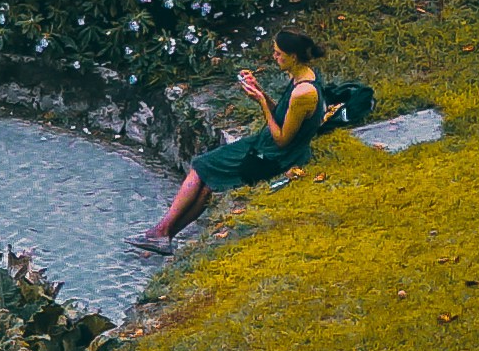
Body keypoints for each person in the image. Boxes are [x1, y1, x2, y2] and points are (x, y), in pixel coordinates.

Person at [145, 28, 344, 247]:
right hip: (269, 146)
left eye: (278, 53)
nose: (275, 57)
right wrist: (260, 90)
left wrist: (261, 103)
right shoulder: (303, 76)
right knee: (207, 183)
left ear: (293, 56)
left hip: (277, 155)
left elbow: (282, 139)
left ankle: (162, 232)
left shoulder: (303, 93)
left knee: (200, 166)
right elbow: (284, 115)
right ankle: (164, 236)